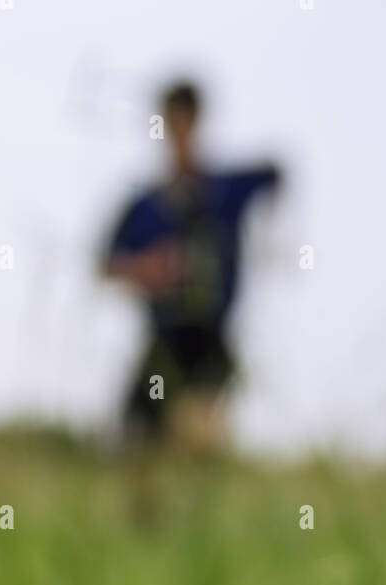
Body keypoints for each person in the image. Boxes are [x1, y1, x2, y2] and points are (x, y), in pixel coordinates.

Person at [104, 81, 281, 450]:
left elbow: (277, 172)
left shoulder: (226, 189)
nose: (180, 131)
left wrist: (272, 241)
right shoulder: (145, 203)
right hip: (163, 340)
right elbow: (107, 264)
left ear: (199, 123)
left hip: (212, 340)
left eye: (187, 120)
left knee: (200, 439)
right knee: (135, 441)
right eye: (172, 122)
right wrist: (145, 268)